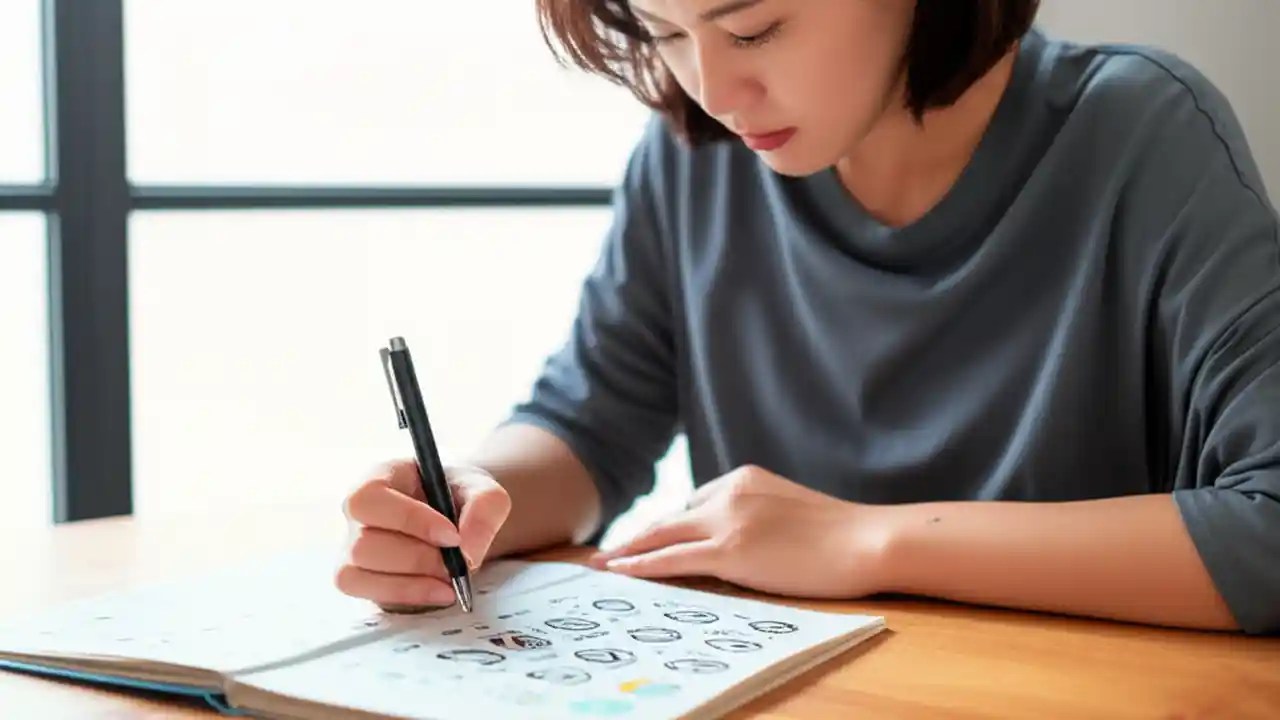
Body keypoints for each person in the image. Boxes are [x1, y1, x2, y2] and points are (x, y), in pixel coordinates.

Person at [336, 0, 1280, 635]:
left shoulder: (1142, 133)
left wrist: (864, 539)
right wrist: (465, 493)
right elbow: (590, 431)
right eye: (663, 31)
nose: (711, 89)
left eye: (753, 30)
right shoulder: (692, 160)